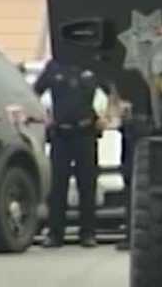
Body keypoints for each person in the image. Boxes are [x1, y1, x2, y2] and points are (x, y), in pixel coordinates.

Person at [33, 57, 114, 248]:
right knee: (57, 185)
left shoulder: (94, 64)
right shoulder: (54, 66)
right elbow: (34, 93)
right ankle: (55, 234)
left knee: (87, 185)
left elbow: (114, 91)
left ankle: (88, 234)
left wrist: (107, 116)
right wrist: (43, 116)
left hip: (86, 133)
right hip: (61, 134)